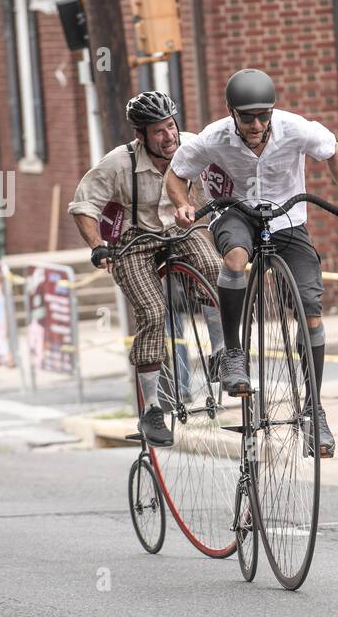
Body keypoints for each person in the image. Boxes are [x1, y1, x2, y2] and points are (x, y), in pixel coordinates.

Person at [164, 68, 338, 458]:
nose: (256, 125)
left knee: (311, 313)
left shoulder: (295, 128)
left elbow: (334, 152)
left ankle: (314, 410)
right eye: (247, 117)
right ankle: (233, 355)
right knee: (236, 257)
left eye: (263, 116)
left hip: (287, 219)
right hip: (235, 213)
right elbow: (176, 174)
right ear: (231, 113)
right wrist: (183, 204)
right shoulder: (213, 137)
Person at [69, 90, 224, 448]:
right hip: (134, 240)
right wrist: (98, 247)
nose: (168, 137)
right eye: (158, 131)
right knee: (154, 312)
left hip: (180, 229)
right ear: (141, 136)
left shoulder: (193, 147)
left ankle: (221, 354)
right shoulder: (118, 163)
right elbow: (83, 205)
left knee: (216, 271)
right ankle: (152, 408)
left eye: (171, 126)